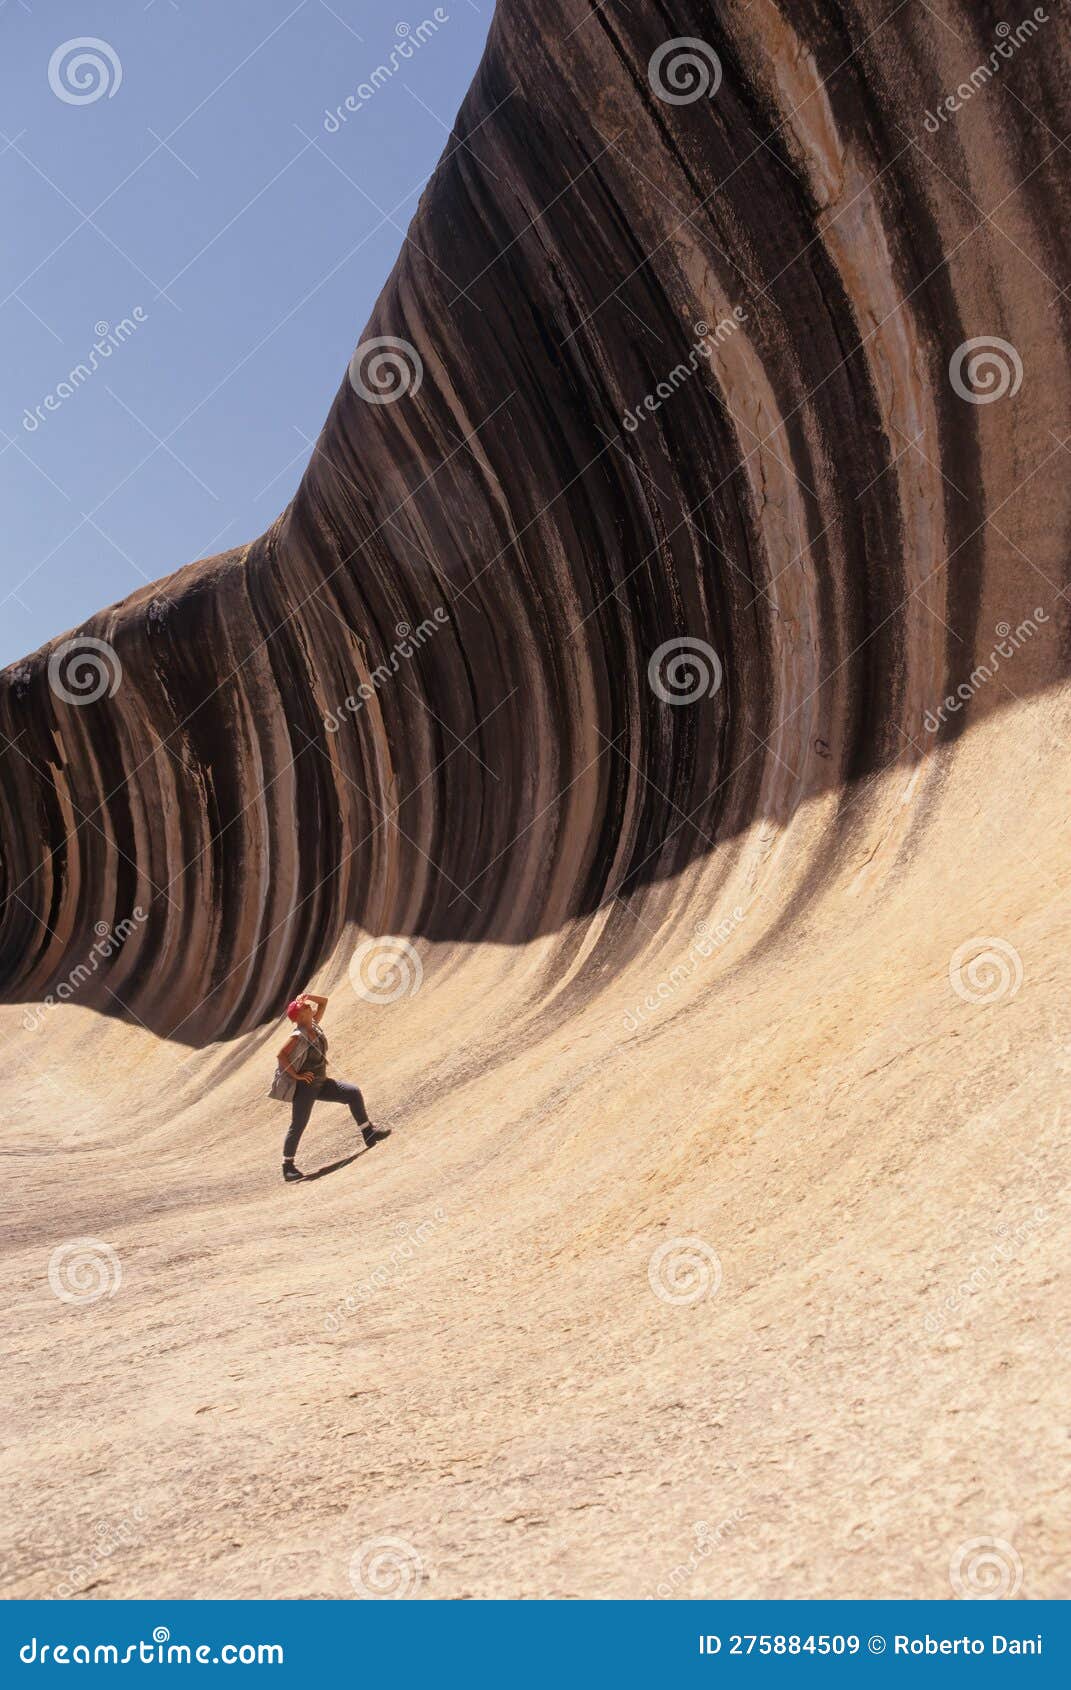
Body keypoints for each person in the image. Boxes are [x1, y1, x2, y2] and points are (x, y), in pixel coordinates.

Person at [278, 991, 390, 1182]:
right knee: (298, 1124)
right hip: (305, 1087)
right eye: (305, 1008)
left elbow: (324, 1002)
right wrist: (296, 1076)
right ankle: (287, 1167)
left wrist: (308, 996)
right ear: (300, 1016)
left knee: (352, 1093)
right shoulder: (298, 1035)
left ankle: (368, 1132)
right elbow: (281, 1055)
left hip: (321, 1082)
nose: (309, 1008)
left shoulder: (313, 1025)